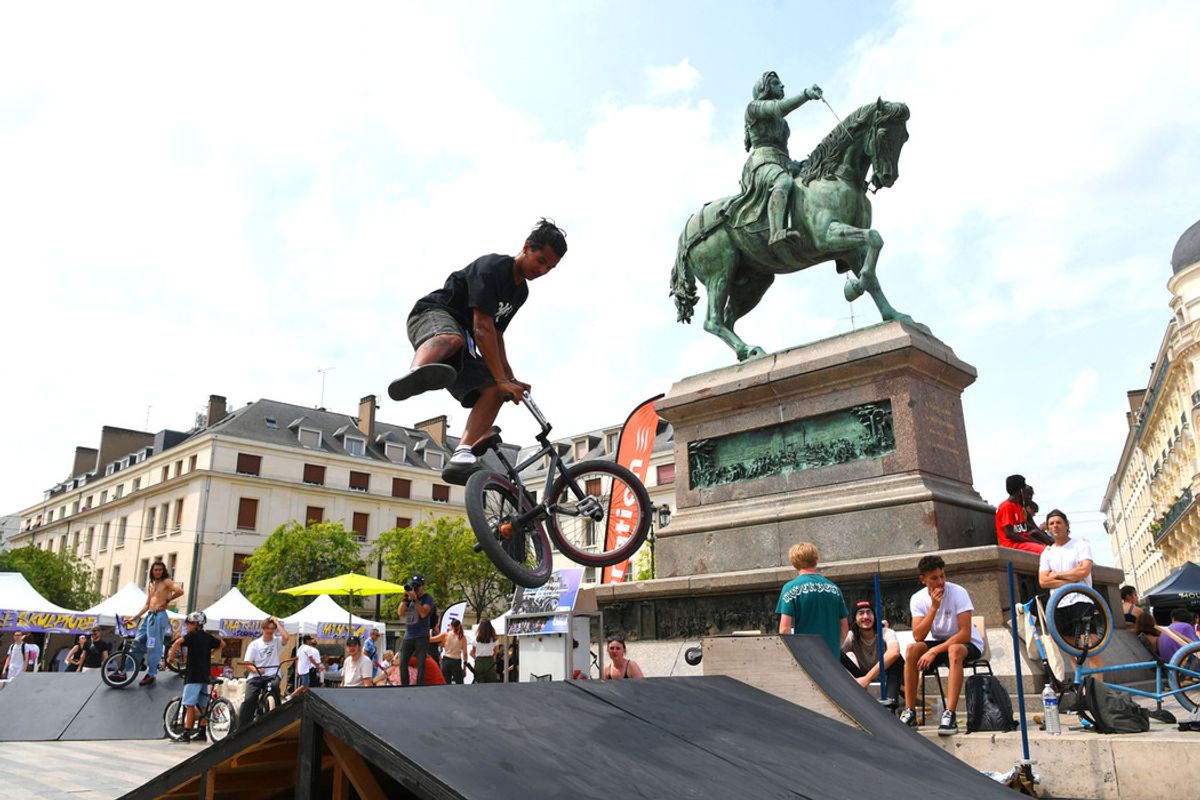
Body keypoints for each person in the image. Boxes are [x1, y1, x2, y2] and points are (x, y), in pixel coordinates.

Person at [388, 219, 568, 485]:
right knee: (452, 339)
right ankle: (418, 372)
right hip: (433, 316)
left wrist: (510, 379)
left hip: (466, 340)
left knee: (495, 390)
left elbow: (496, 334)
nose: (542, 270)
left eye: (550, 268)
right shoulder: (493, 268)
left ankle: (462, 454)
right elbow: (482, 328)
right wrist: (502, 377)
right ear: (527, 247)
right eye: (540, 261)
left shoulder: (520, 292)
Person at [729, 72, 823, 248]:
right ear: (764, 89)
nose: (782, 86)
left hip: (782, 162)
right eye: (775, 83)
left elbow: (783, 148)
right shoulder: (754, 108)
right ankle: (776, 232)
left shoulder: (782, 123)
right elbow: (780, 108)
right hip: (761, 164)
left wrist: (794, 164)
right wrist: (806, 94)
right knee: (783, 181)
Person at [898, 555, 986, 736]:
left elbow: (964, 633)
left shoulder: (958, 592)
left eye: (942, 576)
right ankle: (910, 711)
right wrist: (933, 608)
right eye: (934, 578)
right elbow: (918, 635)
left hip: (967, 643)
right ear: (923, 580)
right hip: (940, 641)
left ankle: (950, 713)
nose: (940, 582)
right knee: (912, 650)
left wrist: (934, 651)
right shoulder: (917, 598)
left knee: (954, 650)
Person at [1039, 509, 1102, 670]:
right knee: (1070, 649)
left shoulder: (1080, 544)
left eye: (1059, 522)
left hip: (1081, 600)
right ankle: (1082, 687)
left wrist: (1056, 576)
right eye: (1051, 523)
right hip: (1058, 604)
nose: (1055, 526)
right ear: (1048, 528)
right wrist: (1071, 577)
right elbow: (1043, 581)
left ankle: (1097, 688)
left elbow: (1084, 571)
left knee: (1090, 645)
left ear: (1066, 525)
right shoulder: (1047, 553)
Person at [775, 542, 849, 656]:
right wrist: (835, 649)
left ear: (794, 563)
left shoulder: (790, 588)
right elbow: (844, 627)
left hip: (807, 658)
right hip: (832, 659)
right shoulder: (834, 589)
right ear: (816, 560)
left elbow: (785, 629)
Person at [120, 559, 185, 686]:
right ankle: (125, 671)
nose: (158, 572)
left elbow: (180, 591)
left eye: (160, 570)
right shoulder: (151, 583)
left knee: (153, 645)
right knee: (137, 642)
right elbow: (147, 604)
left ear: (163, 571)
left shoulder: (166, 581)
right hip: (149, 616)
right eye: (156, 570)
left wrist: (167, 600)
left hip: (159, 616)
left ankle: (152, 673)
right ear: (152, 571)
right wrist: (135, 617)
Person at [168, 611, 222, 743]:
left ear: (195, 624)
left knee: (189, 705)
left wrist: (170, 657)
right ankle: (202, 733)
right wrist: (210, 652)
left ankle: (186, 733)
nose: (187, 626)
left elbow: (177, 643)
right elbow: (222, 644)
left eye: (189, 623)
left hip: (193, 676)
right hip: (205, 676)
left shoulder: (192, 636)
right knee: (203, 705)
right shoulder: (207, 637)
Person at [841, 600, 903, 703]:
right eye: (861, 613)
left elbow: (894, 652)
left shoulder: (886, 632)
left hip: (887, 678)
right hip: (860, 678)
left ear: (874, 617)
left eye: (869, 612)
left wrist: (867, 679)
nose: (865, 617)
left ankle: (889, 704)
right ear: (855, 619)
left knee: (897, 659)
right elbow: (834, 654)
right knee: (843, 655)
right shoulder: (851, 636)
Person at [238, 616, 290, 727]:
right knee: (249, 700)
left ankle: (278, 722)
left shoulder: (277, 641)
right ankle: (242, 729)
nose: (270, 631)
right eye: (267, 628)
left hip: (272, 674)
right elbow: (247, 663)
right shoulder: (254, 644)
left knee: (275, 689)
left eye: (272, 628)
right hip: (256, 675)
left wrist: (277, 622)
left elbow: (286, 637)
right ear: (263, 629)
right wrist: (256, 670)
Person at [995, 475, 1050, 553]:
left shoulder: (1019, 507)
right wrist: (1035, 542)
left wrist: (1039, 541)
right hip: (1011, 545)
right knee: (1047, 551)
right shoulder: (1006, 506)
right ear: (1020, 491)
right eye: (1024, 487)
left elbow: (1024, 531)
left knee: (1050, 549)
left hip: (1022, 543)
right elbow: (1010, 534)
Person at [397, 575, 435, 687]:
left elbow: (423, 613)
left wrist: (415, 599)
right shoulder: (409, 598)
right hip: (409, 635)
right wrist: (405, 598)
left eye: (418, 586)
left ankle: (419, 687)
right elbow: (400, 612)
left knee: (421, 663)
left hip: (421, 635)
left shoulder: (428, 598)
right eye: (414, 586)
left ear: (423, 586)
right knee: (402, 662)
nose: (416, 588)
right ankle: (405, 686)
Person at [471, 619, 499, 683]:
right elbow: (496, 652)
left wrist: (477, 658)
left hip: (479, 661)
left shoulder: (476, 639)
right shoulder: (494, 639)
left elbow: (473, 652)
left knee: (479, 682)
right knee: (491, 682)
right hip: (489, 661)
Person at [440, 619, 468, 684]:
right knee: (459, 683)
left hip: (446, 660)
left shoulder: (446, 635)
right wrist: (464, 668)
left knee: (446, 684)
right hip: (456, 661)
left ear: (451, 626)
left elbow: (432, 640)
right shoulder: (462, 637)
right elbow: (465, 654)